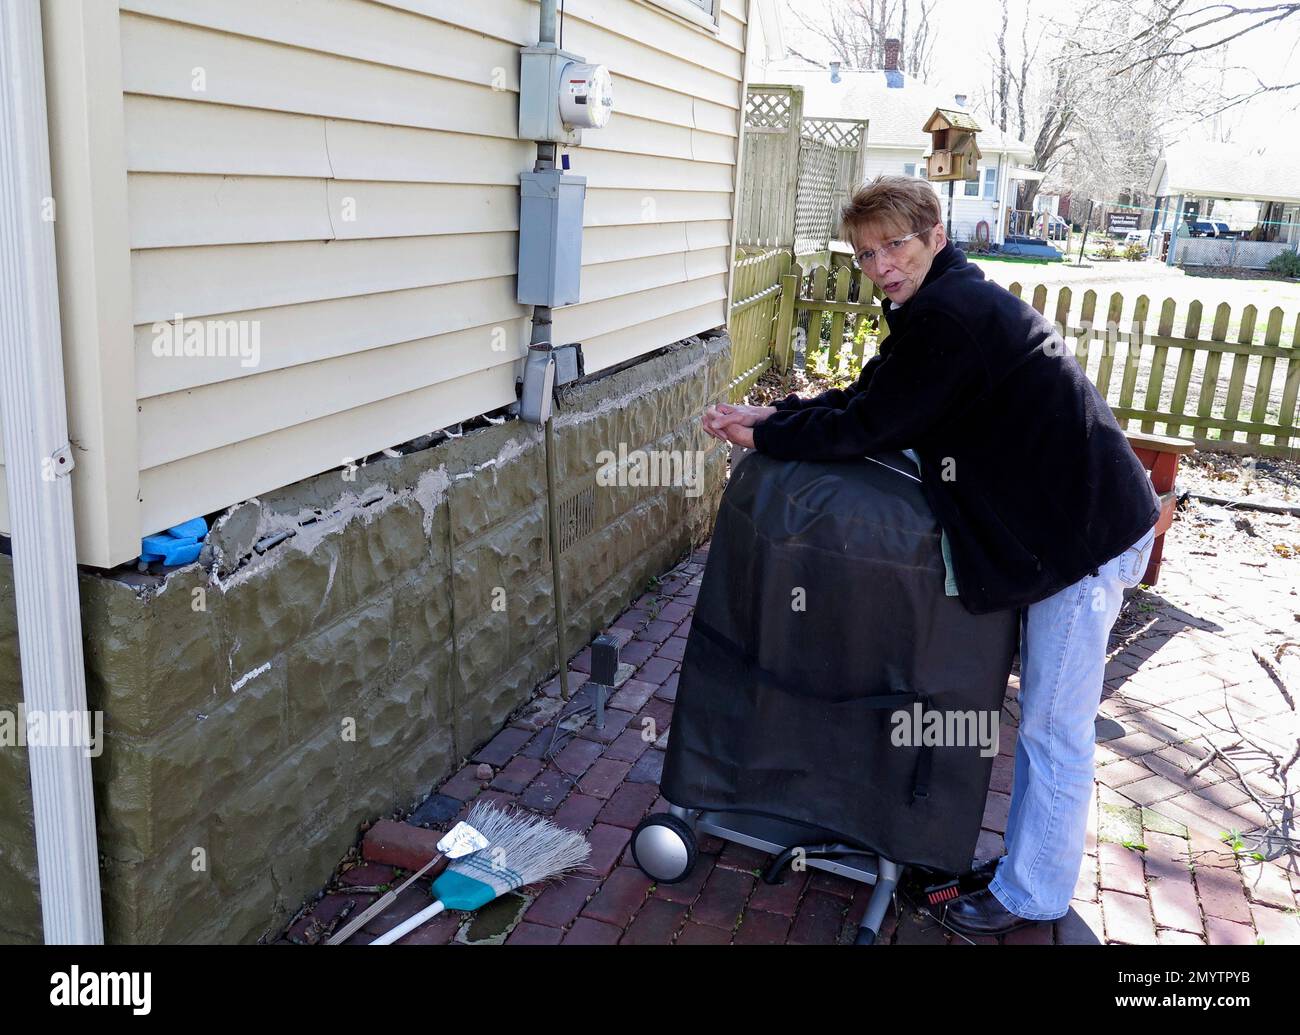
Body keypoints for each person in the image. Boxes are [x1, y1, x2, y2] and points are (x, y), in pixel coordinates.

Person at [702, 175, 1160, 936]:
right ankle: (1026, 866)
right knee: (1048, 718)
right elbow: (869, 395)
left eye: (895, 246)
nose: (880, 264)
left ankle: (1032, 893)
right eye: (866, 253)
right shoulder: (941, 306)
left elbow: (870, 425)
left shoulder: (950, 316)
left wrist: (766, 435)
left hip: (1088, 537)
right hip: (1071, 523)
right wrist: (777, 412)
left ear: (934, 236)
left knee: (1052, 725)